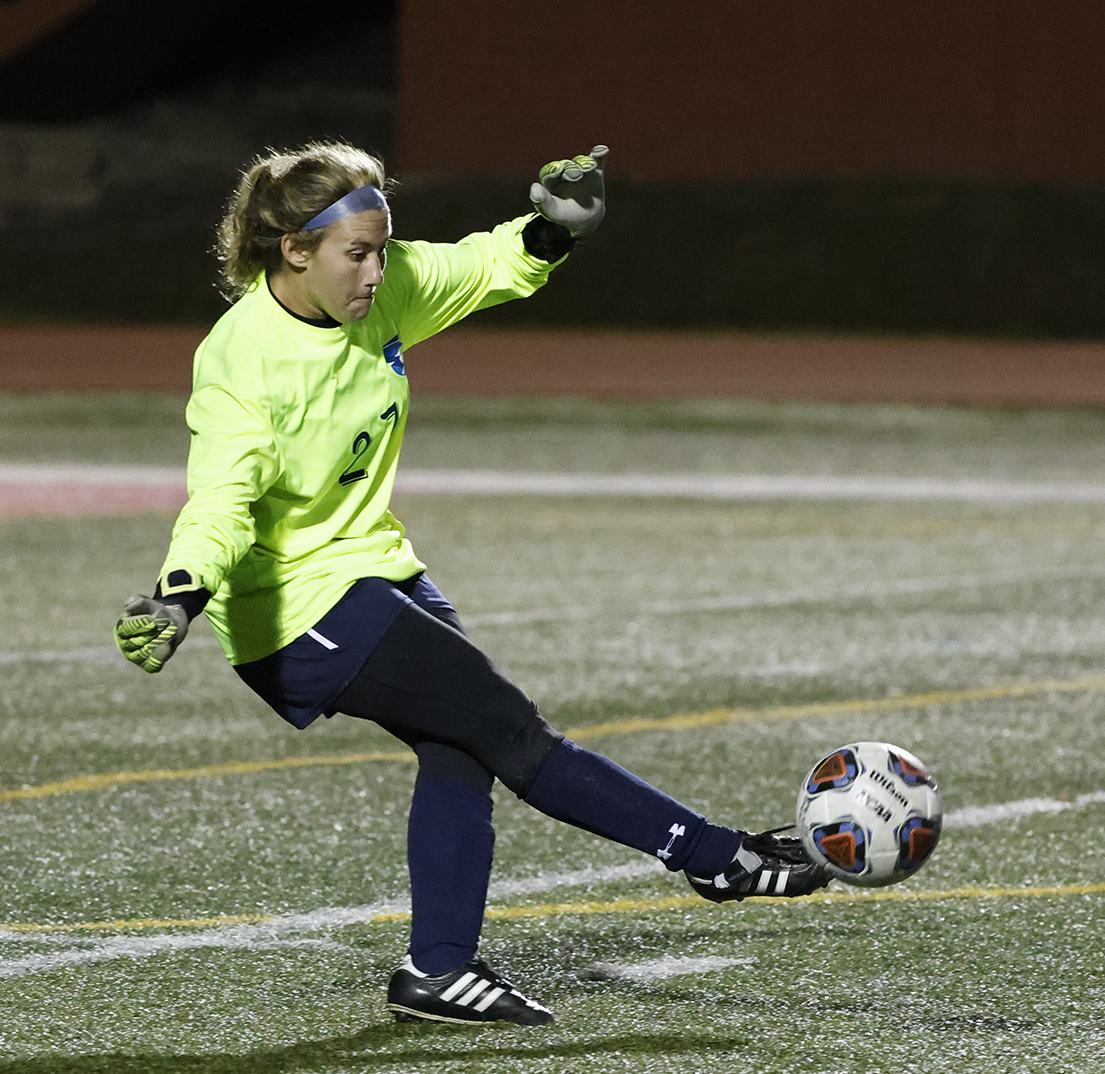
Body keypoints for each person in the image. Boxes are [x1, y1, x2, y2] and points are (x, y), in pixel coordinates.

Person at [115, 141, 828, 1027]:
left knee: (463, 747)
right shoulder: (243, 362)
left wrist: (553, 232)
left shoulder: (383, 284)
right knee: (509, 730)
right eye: (358, 254)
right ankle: (714, 856)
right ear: (294, 249)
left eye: (383, 248)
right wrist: (178, 594)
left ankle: (436, 972)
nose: (379, 272)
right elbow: (220, 499)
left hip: (377, 570)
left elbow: (485, 265)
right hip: (297, 609)